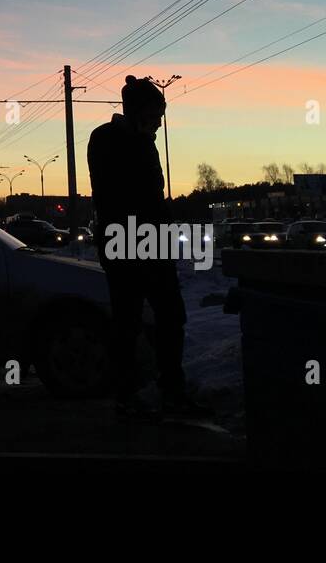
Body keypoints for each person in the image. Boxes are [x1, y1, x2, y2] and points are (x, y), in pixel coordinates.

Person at [87, 75, 209, 418]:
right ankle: (128, 396)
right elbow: (118, 197)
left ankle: (169, 390)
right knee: (128, 320)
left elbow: (154, 199)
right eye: (156, 114)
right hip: (124, 242)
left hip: (151, 242)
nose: (159, 122)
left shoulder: (144, 142)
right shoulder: (107, 140)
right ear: (138, 111)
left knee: (171, 317)